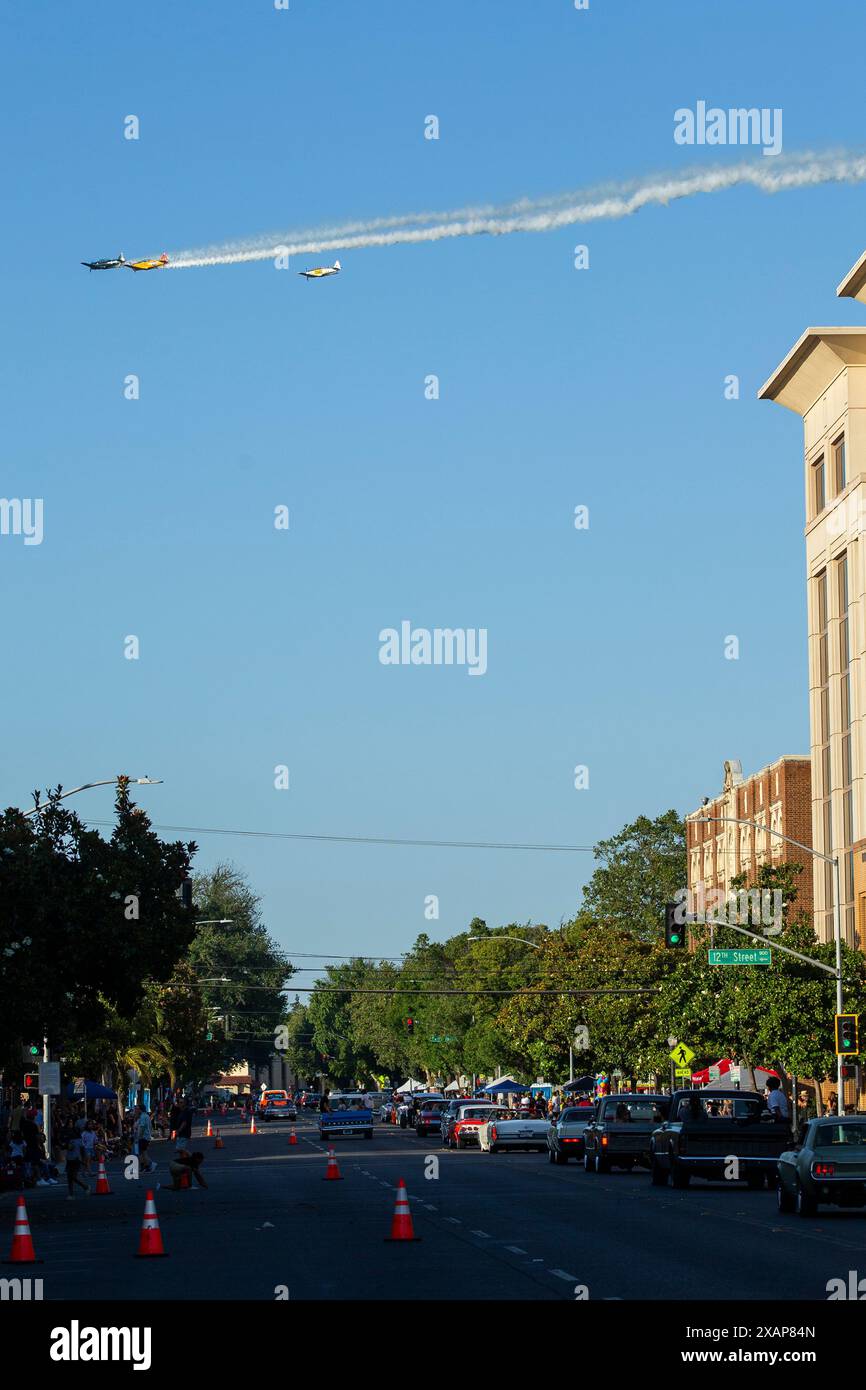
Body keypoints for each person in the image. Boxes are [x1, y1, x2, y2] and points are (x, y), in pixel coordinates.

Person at [63, 1131, 91, 1199]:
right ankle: (71, 1194)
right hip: (69, 1160)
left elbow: (82, 1151)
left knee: (73, 1177)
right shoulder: (68, 1140)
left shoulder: (79, 1141)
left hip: (76, 1160)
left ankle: (85, 1187)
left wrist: (84, 1160)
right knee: (70, 1178)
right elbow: (67, 1148)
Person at [135, 1106, 156, 1173]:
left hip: (143, 1137)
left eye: (138, 1109)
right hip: (146, 1137)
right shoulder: (146, 1116)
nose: (137, 1110)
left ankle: (149, 1165)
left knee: (143, 1152)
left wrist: (139, 1136)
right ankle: (146, 1166)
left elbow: (142, 1127)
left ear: (141, 1110)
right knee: (142, 1152)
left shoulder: (143, 1117)